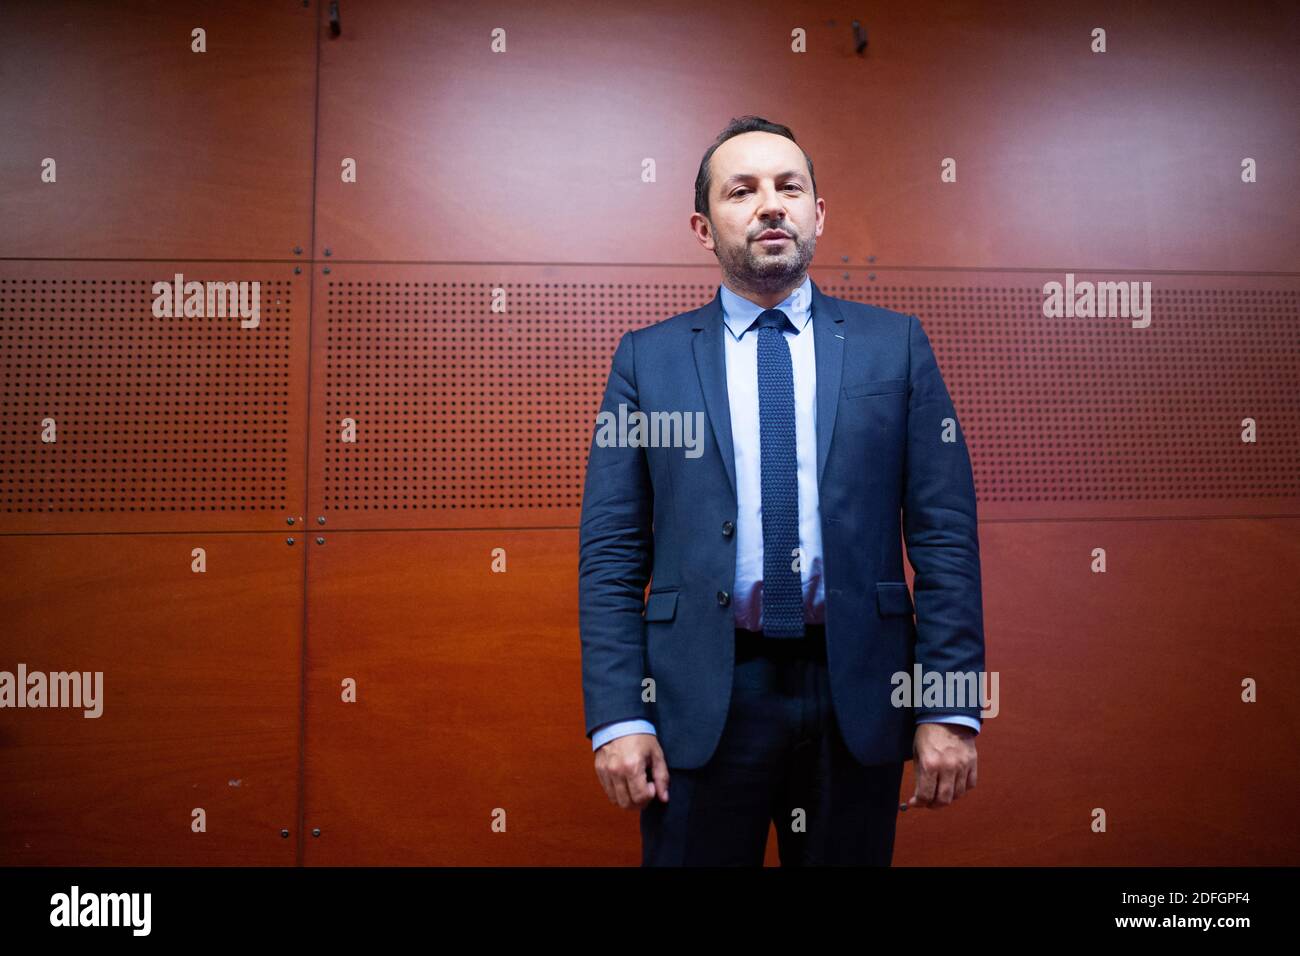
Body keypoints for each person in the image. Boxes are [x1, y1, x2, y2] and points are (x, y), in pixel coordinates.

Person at [578, 115, 985, 866]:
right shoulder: (648, 362)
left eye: (789, 187)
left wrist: (951, 701)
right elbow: (610, 554)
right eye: (744, 190)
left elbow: (945, 537)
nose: (771, 205)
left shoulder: (894, 347)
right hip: (701, 697)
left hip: (856, 691)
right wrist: (616, 717)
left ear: (817, 215)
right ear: (704, 227)